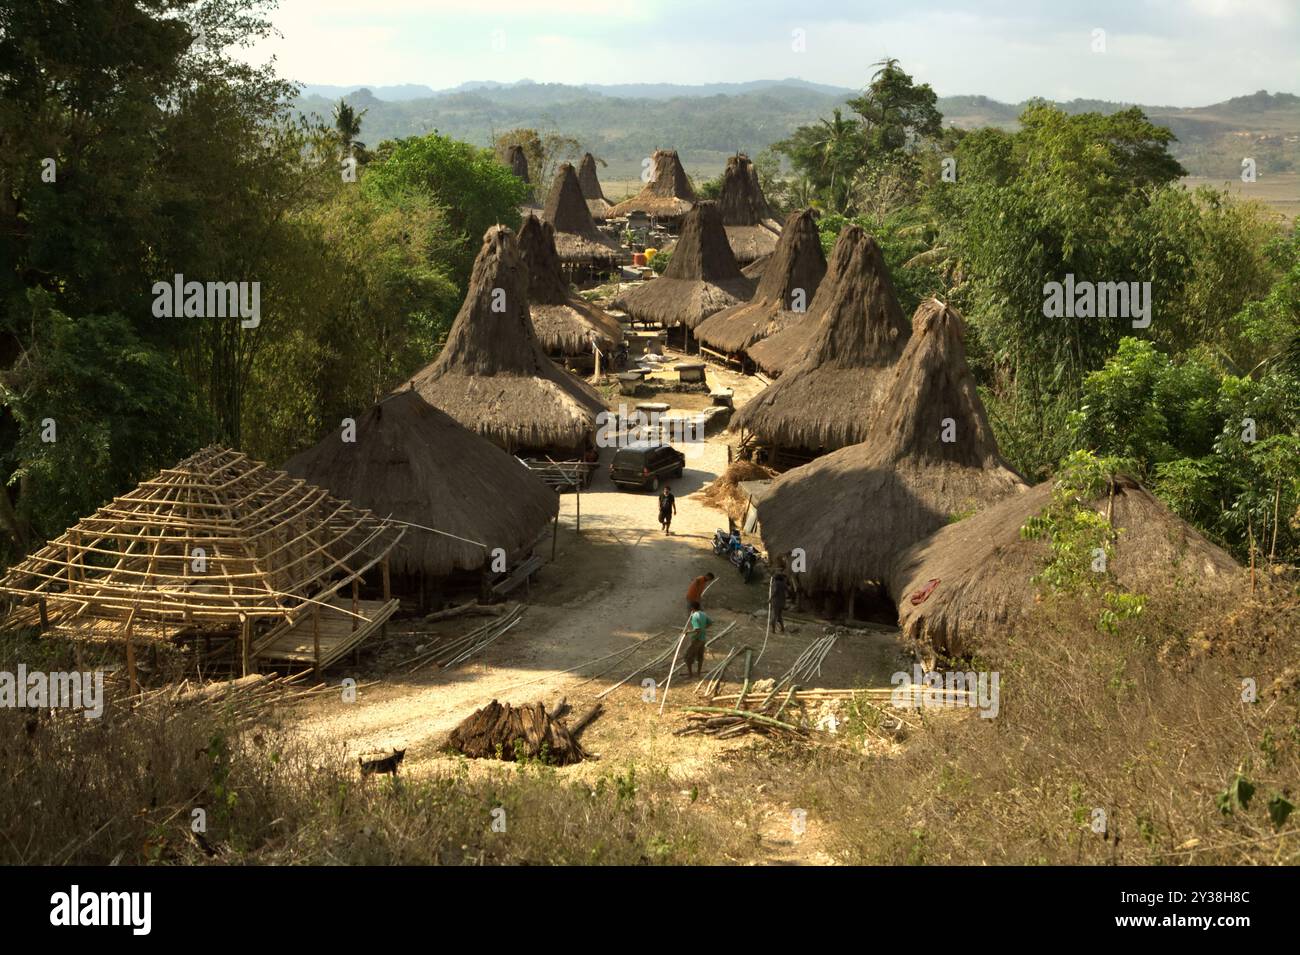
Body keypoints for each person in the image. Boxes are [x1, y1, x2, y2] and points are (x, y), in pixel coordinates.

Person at [684, 601, 711, 677]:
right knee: (700, 656)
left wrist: (688, 633)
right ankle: (698, 673)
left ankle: (690, 674)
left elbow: (697, 629)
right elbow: (711, 622)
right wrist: (704, 628)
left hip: (696, 640)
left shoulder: (694, 616)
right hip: (703, 639)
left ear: (692, 608)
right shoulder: (703, 614)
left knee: (688, 657)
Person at [769, 561, 788, 634]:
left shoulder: (775, 583)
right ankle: (782, 628)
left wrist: (770, 598)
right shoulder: (783, 584)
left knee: (774, 615)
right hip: (782, 602)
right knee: (779, 615)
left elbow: (775, 591)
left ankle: (773, 630)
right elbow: (787, 590)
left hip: (776, 601)